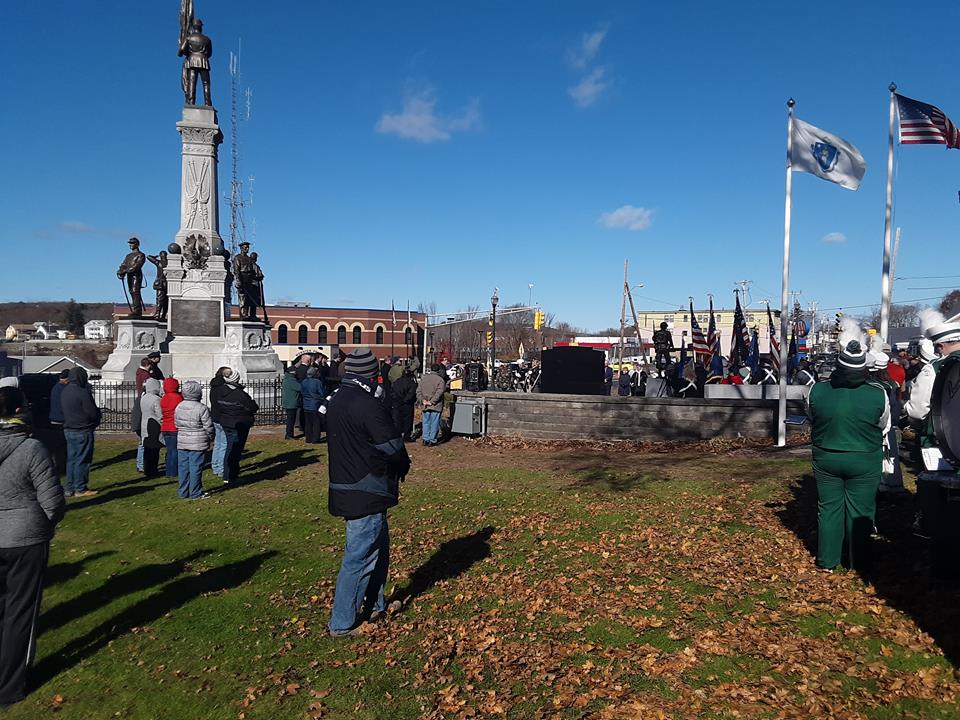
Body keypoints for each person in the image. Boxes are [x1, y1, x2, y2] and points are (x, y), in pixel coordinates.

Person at [325, 348, 410, 636]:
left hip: (352, 484)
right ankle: (342, 623)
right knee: (359, 557)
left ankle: (375, 604)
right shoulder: (365, 403)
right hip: (365, 487)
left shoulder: (339, 398)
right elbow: (391, 446)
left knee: (378, 552)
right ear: (371, 372)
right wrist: (402, 462)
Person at [0, 387, 64, 706]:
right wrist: (45, 524)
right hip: (24, 538)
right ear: (19, 410)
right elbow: (51, 500)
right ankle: (10, 685)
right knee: (20, 613)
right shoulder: (31, 448)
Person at [806, 340, 889, 572]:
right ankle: (858, 562)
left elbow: (812, 416)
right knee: (860, 510)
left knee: (829, 508)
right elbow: (883, 424)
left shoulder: (817, 389)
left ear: (838, 366)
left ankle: (827, 561)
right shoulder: (878, 393)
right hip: (864, 457)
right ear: (864, 368)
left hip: (826, 456)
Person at [868, 352, 906, 497]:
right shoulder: (893, 384)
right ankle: (893, 486)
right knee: (891, 456)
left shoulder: (872, 386)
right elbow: (896, 408)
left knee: (877, 457)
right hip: (890, 424)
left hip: (876, 425)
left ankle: (879, 486)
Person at [211, 368, 258, 485]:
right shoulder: (240, 395)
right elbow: (253, 407)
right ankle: (231, 475)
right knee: (234, 450)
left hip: (225, 422)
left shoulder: (220, 391)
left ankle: (226, 473)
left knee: (227, 447)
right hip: (238, 424)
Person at [60, 367, 101, 498]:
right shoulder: (82, 392)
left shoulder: (65, 391)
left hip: (69, 428)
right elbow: (92, 412)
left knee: (71, 459)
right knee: (82, 460)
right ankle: (80, 488)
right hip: (83, 429)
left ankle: (69, 487)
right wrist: (96, 418)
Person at [173, 381, 214, 499]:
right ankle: (195, 492)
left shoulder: (179, 406)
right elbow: (208, 426)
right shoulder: (202, 408)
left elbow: (176, 423)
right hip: (197, 441)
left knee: (183, 468)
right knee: (195, 467)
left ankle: (183, 491)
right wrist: (211, 437)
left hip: (182, 440)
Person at [417, 363, 446, 446]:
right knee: (434, 422)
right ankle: (432, 440)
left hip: (425, 404)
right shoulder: (440, 380)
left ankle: (425, 439)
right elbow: (439, 393)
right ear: (438, 370)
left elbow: (418, 391)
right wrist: (432, 401)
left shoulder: (424, 379)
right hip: (435, 405)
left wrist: (422, 400)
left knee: (425, 422)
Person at [159, 378, 183, 479]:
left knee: (169, 450)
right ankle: (174, 471)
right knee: (175, 451)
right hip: (174, 427)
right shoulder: (178, 398)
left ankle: (169, 471)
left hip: (165, 427)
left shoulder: (164, 398)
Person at [48, 369, 69, 478]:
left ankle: (59, 466)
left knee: (58, 447)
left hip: (54, 419)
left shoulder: (56, 387)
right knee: (62, 447)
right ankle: (61, 468)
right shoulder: (64, 389)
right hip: (61, 420)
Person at [116, 237, 146, 317]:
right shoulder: (128, 255)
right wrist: (120, 271)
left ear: (137, 244)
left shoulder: (141, 255)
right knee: (131, 291)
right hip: (129, 276)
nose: (130, 245)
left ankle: (137, 310)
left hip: (136, 276)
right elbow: (124, 264)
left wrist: (125, 271)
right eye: (130, 243)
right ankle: (135, 309)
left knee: (135, 291)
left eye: (132, 243)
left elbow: (137, 266)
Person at [139, 379, 163, 477]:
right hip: (154, 425)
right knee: (154, 450)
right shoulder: (156, 399)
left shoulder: (144, 397)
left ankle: (147, 469)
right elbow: (160, 414)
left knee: (147, 449)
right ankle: (153, 470)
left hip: (144, 424)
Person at [208, 367, 229, 478]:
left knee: (218, 443)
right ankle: (220, 468)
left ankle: (215, 465)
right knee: (223, 444)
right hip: (222, 417)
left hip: (215, 416)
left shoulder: (214, 386)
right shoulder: (222, 388)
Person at [390, 367, 418, 442]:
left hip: (397, 404)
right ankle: (406, 436)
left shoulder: (396, 382)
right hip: (407, 404)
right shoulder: (411, 383)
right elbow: (411, 394)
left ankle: (398, 436)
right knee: (407, 421)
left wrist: (397, 400)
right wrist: (404, 400)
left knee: (398, 420)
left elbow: (392, 392)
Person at [301, 367, 326, 444]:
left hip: (306, 404)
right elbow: (321, 393)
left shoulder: (304, 381)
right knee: (316, 423)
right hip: (314, 404)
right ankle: (315, 439)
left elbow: (302, 391)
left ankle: (308, 438)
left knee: (308, 423)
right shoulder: (317, 382)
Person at [281, 365, 302, 440]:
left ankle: (289, 434)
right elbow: (299, 388)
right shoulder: (292, 380)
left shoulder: (286, 379)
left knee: (290, 420)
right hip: (292, 403)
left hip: (287, 402)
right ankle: (289, 434)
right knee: (291, 420)